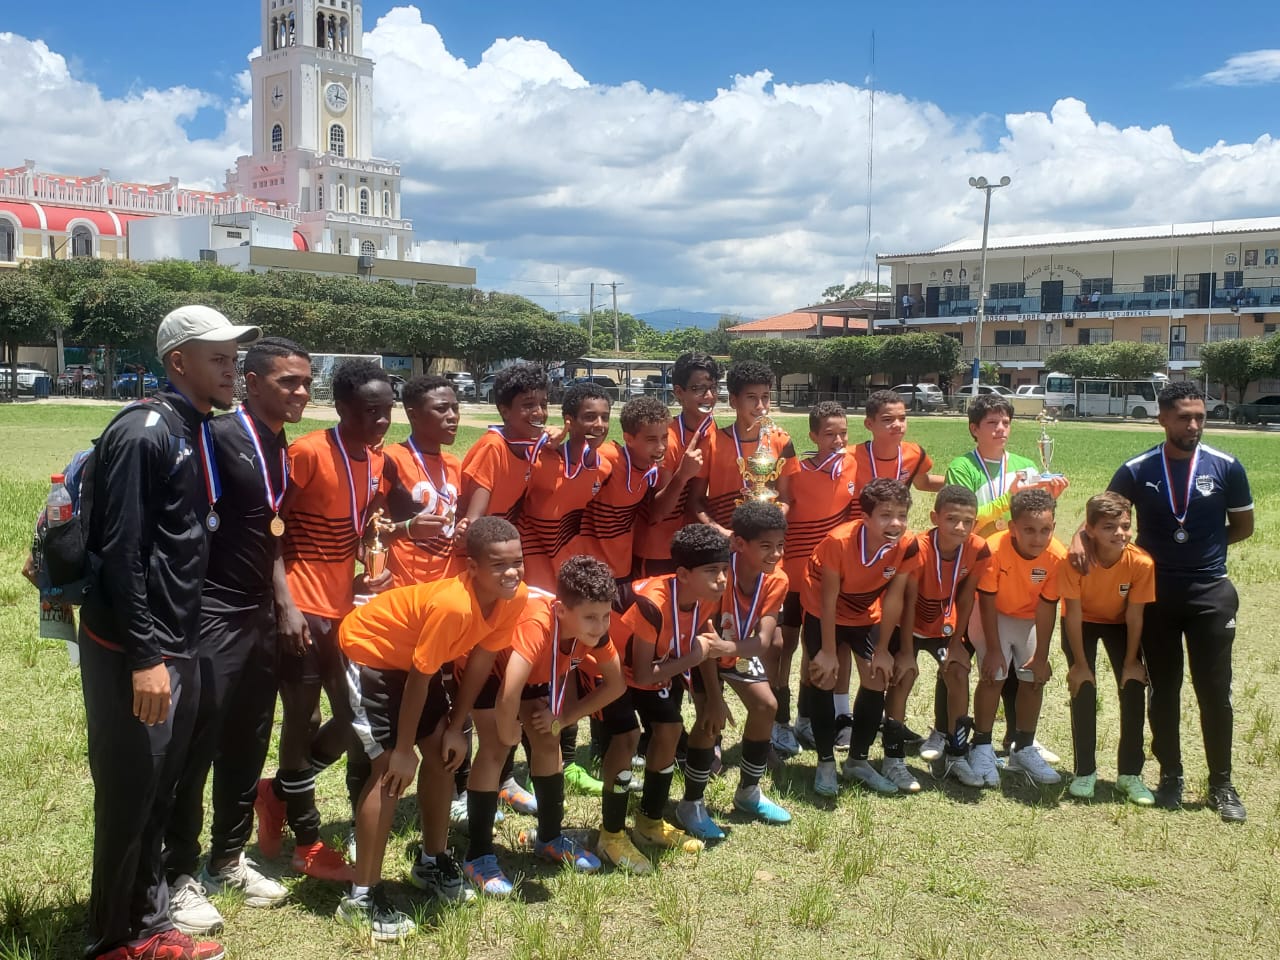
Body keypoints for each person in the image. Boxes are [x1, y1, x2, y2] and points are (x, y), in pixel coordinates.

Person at [78, 304, 259, 960]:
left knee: (158, 788)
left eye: (234, 358)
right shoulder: (145, 431)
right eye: (218, 358)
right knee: (131, 793)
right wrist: (144, 656)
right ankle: (115, 939)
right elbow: (121, 553)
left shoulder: (194, 426)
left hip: (178, 641)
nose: (232, 369)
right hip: (138, 647)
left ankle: (148, 921)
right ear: (178, 362)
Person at [164, 337, 311, 937]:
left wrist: (284, 600)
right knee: (197, 743)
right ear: (252, 382)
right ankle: (176, 874)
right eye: (288, 382)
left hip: (259, 615)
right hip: (212, 612)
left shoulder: (280, 443)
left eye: (306, 382)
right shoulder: (218, 436)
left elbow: (269, 529)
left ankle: (227, 859)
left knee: (250, 737)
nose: (301, 392)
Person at [337, 516, 527, 935]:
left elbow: (480, 661)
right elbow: (420, 680)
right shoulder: (453, 605)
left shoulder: (514, 596)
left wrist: (457, 726)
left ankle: (431, 861)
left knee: (444, 753)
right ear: (472, 567)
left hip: (413, 663)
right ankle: (361, 898)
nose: (512, 573)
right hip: (370, 653)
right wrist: (405, 751)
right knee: (389, 770)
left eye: (517, 562)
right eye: (499, 565)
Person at [1080, 380, 1252, 821]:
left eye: (1199, 417)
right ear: (1162, 419)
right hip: (1154, 594)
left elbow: (1243, 527)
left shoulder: (1227, 467)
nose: (1193, 425)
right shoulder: (1137, 469)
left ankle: (1221, 784)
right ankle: (1171, 776)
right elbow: (1102, 518)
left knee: (1214, 689)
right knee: (1164, 688)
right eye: (1183, 417)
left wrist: (1204, 549)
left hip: (1210, 592)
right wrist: (1080, 544)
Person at [255, 359, 394, 881]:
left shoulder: (376, 460)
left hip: (344, 610)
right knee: (304, 718)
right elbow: (272, 530)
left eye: (386, 411)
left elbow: (353, 530)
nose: (381, 421)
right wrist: (285, 604)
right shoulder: (309, 452)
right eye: (369, 411)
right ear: (341, 408)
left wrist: (368, 568)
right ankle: (307, 842)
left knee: (355, 721)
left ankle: (276, 793)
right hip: (301, 607)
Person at [473, 556, 626, 891]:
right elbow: (508, 692)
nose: (600, 626)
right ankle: (478, 856)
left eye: (605, 615)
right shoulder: (538, 621)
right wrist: (509, 732)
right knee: (495, 747)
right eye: (590, 617)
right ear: (561, 610)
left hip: (529, 676)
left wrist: (564, 718)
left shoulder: (594, 632)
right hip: (485, 666)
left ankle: (549, 838)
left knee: (546, 738)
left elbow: (616, 685)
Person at [944, 394, 1067, 765]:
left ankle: (1019, 739)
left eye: (1005, 423)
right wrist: (1006, 500)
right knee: (961, 656)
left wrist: (1049, 495)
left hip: (1013, 567)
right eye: (992, 423)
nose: (1000, 429)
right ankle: (946, 731)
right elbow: (965, 519)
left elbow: (1035, 517)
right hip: (971, 568)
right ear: (974, 429)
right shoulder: (963, 467)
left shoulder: (1026, 465)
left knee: (1017, 667)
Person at [615, 524, 733, 854]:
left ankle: (650, 821)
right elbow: (642, 672)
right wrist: (692, 657)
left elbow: (704, 643)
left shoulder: (705, 596)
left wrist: (713, 699)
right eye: (712, 571)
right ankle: (612, 831)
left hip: (653, 670)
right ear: (682, 574)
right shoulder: (652, 603)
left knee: (670, 729)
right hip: (611, 673)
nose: (722, 579)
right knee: (624, 740)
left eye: (724, 569)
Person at [678, 501, 792, 840]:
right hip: (701, 655)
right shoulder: (717, 577)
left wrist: (730, 649)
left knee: (766, 706)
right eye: (766, 546)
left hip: (734, 651)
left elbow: (764, 641)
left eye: (780, 545)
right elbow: (703, 643)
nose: (776, 554)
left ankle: (748, 792)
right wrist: (715, 699)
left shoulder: (777, 580)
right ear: (739, 544)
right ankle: (691, 803)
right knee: (709, 720)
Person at [800, 478, 921, 796]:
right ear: (865, 517)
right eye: (886, 515)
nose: (895, 523)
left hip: (864, 613)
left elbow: (894, 598)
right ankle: (826, 762)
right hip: (823, 611)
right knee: (824, 676)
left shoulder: (907, 544)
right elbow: (828, 599)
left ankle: (857, 760)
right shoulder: (839, 542)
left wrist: (883, 648)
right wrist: (828, 651)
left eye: (902, 515)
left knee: (877, 676)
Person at [773, 402, 857, 758]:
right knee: (784, 647)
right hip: (792, 576)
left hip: (826, 581)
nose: (838, 440)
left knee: (815, 649)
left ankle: (805, 718)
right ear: (813, 436)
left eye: (843, 433)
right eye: (829, 434)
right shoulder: (796, 471)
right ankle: (778, 720)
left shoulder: (853, 465)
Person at [1059, 492, 1155, 804]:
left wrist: (1131, 661)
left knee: (1133, 686)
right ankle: (1084, 771)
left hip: (1120, 624)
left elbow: (1135, 615)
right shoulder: (1075, 561)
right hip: (1082, 623)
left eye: (1125, 526)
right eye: (1109, 527)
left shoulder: (1141, 562)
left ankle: (1130, 774)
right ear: (1089, 529)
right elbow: (1072, 614)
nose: (1119, 534)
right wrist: (1079, 664)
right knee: (1083, 687)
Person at [896, 485, 992, 790]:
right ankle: (893, 758)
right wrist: (906, 651)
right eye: (952, 519)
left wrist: (957, 643)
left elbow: (966, 596)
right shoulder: (916, 546)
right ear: (935, 517)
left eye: (968, 521)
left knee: (958, 673)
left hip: (944, 628)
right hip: (908, 625)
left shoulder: (978, 548)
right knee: (903, 676)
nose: (960, 527)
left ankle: (956, 753)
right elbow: (908, 600)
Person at [971, 489, 1066, 787]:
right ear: (1012, 527)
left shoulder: (1057, 556)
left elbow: (1047, 606)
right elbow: (987, 600)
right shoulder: (994, 548)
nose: (1038, 539)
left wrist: (1041, 657)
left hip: (1028, 618)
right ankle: (981, 746)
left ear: (1053, 527)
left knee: (1034, 678)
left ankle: (1023, 748)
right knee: (994, 675)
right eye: (1029, 530)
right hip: (992, 614)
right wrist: (994, 650)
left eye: (1045, 530)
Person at [519, 380, 613, 592]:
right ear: (569, 421)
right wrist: (543, 441)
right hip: (532, 568)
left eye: (605, 417)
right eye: (590, 417)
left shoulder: (604, 468)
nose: (600, 425)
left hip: (568, 570)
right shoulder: (541, 460)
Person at [631, 352, 718, 579]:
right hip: (655, 552)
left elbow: (695, 498)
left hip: (687, 548)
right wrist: (682, 475)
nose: (709, 396)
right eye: (698, 388)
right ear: (679, 392)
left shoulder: (710, 428)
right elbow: (656, 513)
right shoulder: (667, 440)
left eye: (712, 387)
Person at [688, 359, 798, 535]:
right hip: (725, 540)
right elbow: (696, 501)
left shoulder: (782, 441)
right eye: (751, 397)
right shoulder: (711, 442)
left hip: (764, 541)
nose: (760, 406)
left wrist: (768, 524)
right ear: (733, 401)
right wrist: (722, 532)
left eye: (765, 397)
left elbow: (785, 497)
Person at [379, 375, 466, 588]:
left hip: (447, 587)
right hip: (403, 587)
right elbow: (366, 530)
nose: (452, 416)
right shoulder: (390, 460)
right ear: (413, 415)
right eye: (441, 409)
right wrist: (407, 528)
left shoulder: (454, 465)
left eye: (455, 408)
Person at [458, 362, 552, 525]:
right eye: (528, 405)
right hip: (481, 539)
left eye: (543, 405)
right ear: (505, 411)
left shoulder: (532, 447)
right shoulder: (493, 447)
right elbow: (473, 520)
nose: (539, 412)